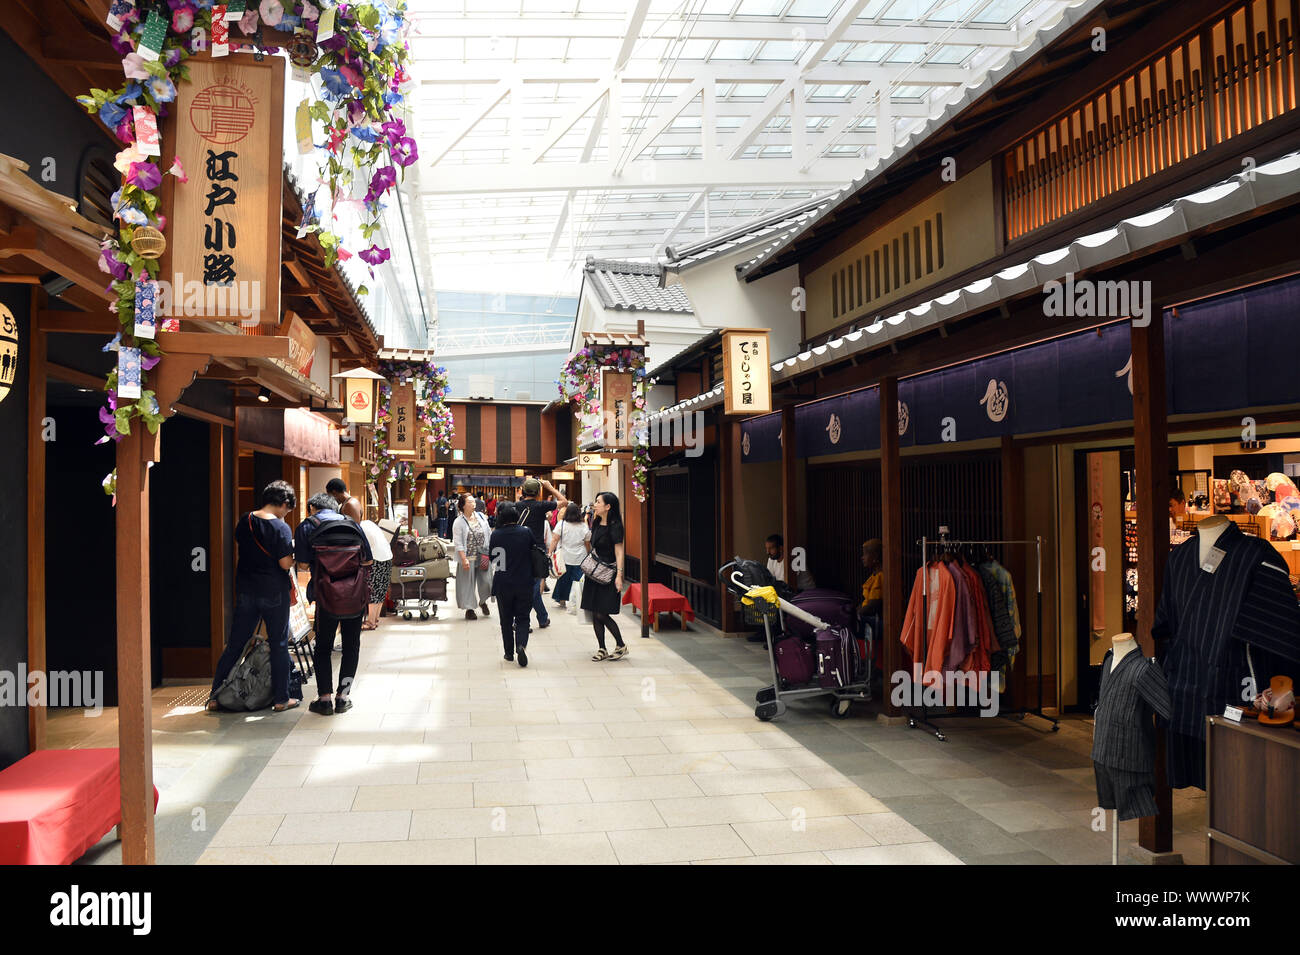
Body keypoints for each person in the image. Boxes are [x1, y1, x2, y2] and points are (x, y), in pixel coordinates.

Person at [208, 480, 298, 712]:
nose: (287, 514)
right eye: (288, 509)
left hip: (247, 589)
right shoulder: (280, 528)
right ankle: (281, 699)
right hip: (273, 591)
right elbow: (285, 562)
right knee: (278, 644)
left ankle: (215, 696)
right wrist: (294, 556)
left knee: (236, 643)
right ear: (284, 503)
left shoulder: (245, 520)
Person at [296, 496, 372, 715]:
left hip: (325, 595)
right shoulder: (352, 526)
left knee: (323, 647)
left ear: (312, 508)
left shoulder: (307, 526)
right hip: (354, 596)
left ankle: (325, 699)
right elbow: (367, 560)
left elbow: (301, 563)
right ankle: (343, 696)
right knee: (351, 646)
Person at [515, 476, 568, 630]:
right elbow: (564, 502)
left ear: (523, 492)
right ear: (538, 492)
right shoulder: (541, 505)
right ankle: (525, 619)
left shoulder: (516, 506)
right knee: (533, 586)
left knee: (529, 586)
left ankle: (541, 618)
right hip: (537, 551)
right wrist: (550, 487)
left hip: (520, 550)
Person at [583, 491, 628, 662]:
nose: (595, 504)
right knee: (595, 612)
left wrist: (619, 575)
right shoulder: (595, 522)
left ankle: (621, 644)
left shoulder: (615, 525)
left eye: (598, 502)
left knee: (602, 612)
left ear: (608, 506)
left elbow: (619, 550)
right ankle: (601, 648)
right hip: (593, 573)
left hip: (608, 574)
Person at [489, 503, 536, 667]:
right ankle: (521, 645)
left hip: (503, 582)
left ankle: (509, 653)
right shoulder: (526, 532)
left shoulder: (496, 535)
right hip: (524, 581)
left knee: (505, 619)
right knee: (523, 617)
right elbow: (533, 551)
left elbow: (494, 559)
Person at [452, 492, 493, 619]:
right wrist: (463, 559)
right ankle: (469, 609)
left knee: (486, 581)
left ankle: (482, 601)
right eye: (469, 502)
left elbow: (489, 534)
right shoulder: (458, 522)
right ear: (463, 506)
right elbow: (458, 542)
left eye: (473, 501)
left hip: (483, 555)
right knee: (467, 584)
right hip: (468, 556)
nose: (473, 503)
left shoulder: (481, 516)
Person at [549, 502, 591, 613]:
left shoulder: (561, 524)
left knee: (563, 579)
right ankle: (578, 599)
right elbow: (587, 542)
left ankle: (561, 598)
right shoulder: (583, 526)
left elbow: (554, 539)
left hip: (565, 556)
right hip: (580, 556)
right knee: (578, 579)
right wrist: (588, 554)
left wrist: (549, 552)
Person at [360, 517, 394, 630]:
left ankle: (370, 622)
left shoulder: (360, 527)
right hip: (387, 556)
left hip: (377, 558)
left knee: (373, 591)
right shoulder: (368, 523)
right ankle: (375, 619)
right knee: (380, 590)